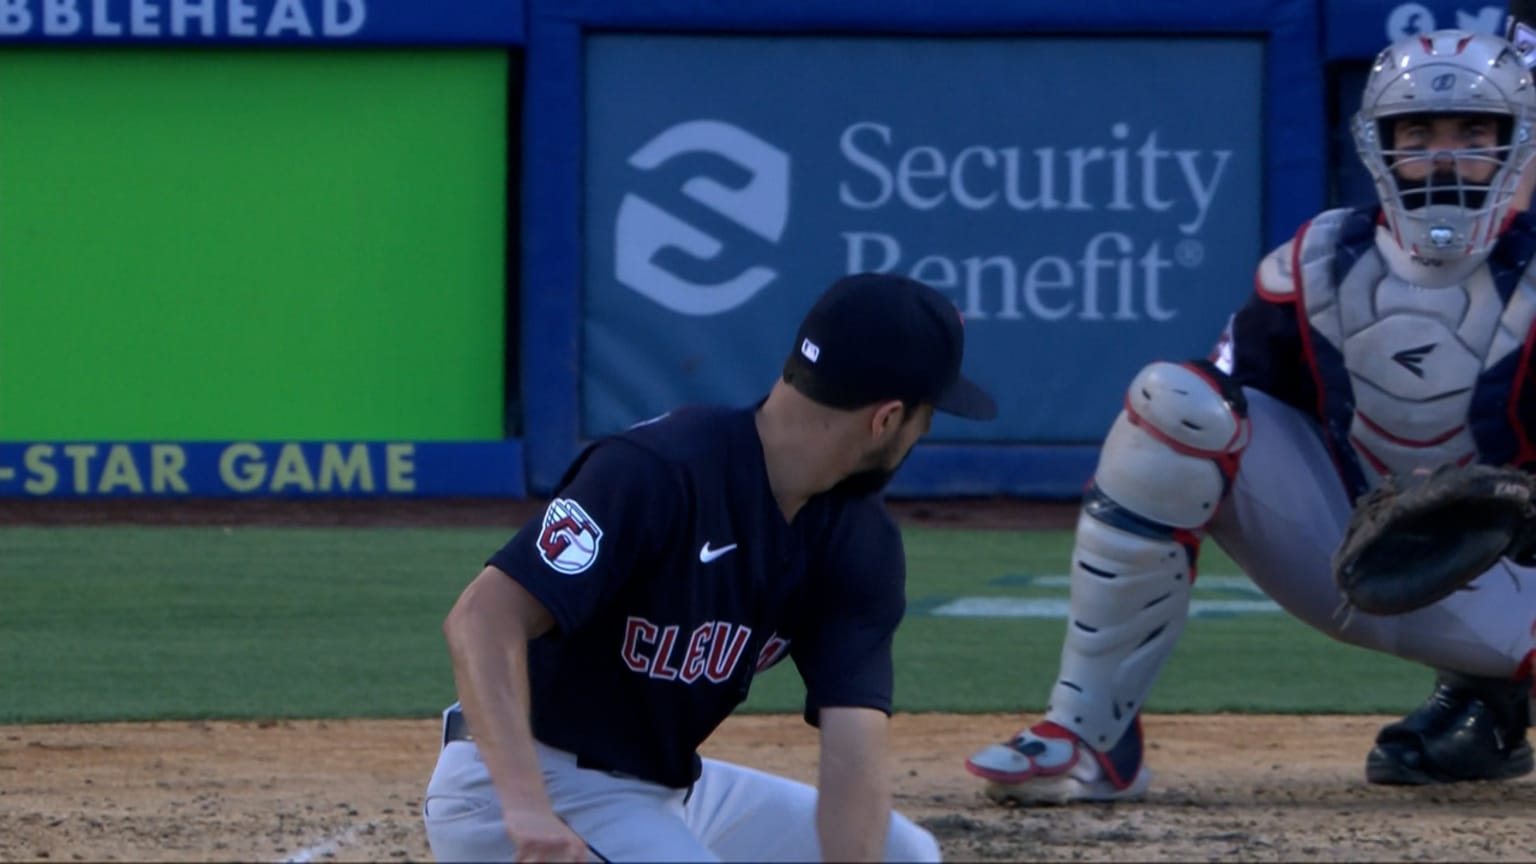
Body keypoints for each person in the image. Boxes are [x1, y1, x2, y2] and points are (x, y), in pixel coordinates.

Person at [965, 27, 1536, 803]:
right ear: (1379, 143)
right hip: (1355, 564)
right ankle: (1088, 736)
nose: (1443, 156)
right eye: (1419, 132)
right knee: (1174, 405)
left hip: (1520, 587)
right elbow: (1227, 405)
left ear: (1517, 141)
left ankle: (1487, 701)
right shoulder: (1315, 263)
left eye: (1474, 131)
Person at [423, 272, 996, 862]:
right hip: (511, 791)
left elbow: (854, 755)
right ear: (886, 417)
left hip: (669, 793)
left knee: (907, 854)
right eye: (927, 415)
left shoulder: (857, 537)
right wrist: (527, 808)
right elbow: (481, 618)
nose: (923, 431)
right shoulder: (657, 472)